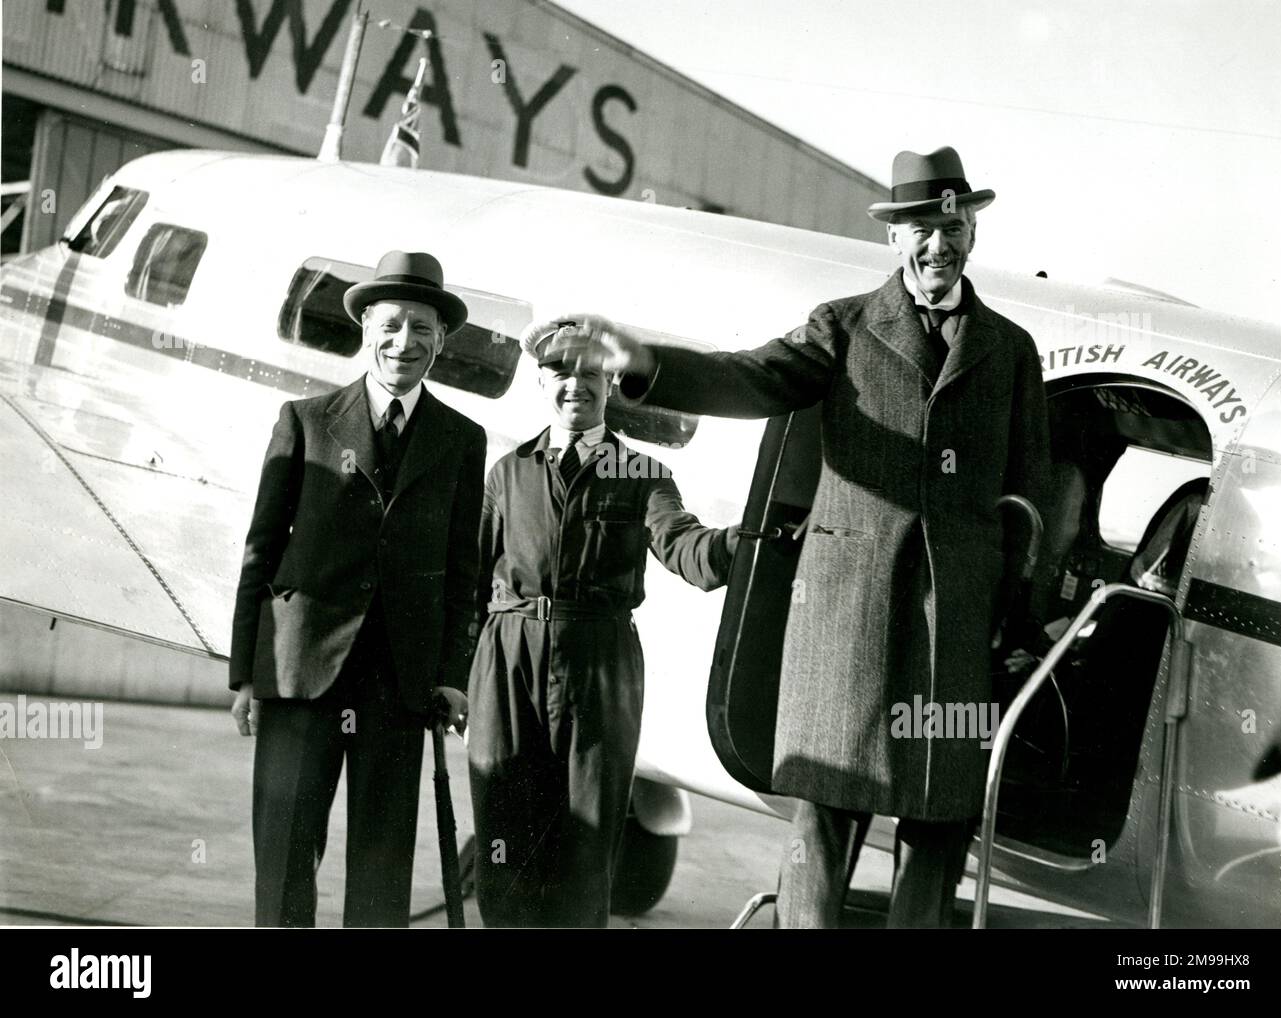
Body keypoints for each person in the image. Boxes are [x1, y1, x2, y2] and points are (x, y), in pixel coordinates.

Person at [528, 147, 1051, 927]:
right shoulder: (842, 328)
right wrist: (643, 363)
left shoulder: (1010, 351)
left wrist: (1017, 617)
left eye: (950, 223)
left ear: (970, 229)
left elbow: (1030, 502)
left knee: (937, 833)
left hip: (956, 630)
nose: (936, 243)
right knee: (825, 827)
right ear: (894, 238)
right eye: (918, 226)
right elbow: (749, 378)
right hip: (849, 624)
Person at [228, 250, 486, 927]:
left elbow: (466, 571)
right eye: (393, 324)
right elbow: (260, 551)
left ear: (441, 341)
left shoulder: (462, 439)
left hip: (398, 687)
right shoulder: (306, 420)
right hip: (298, 673)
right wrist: (242, 674)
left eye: (424, 329)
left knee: (380, 873)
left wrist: (455, 674)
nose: (407, 343)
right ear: (365, 326)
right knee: (284, 861)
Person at [467, 323, 737, 927]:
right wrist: (461, 679)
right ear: (541, 381)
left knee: (585, 845)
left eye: (590, 372)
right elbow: (469, 580)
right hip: (508, 660)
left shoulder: (642, 474)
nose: (575, 385)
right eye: (561, 371)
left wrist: (742, 546)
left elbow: (684, 545)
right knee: (503, 835)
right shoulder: (508, 473)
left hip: (600, 664)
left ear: (610, 383)